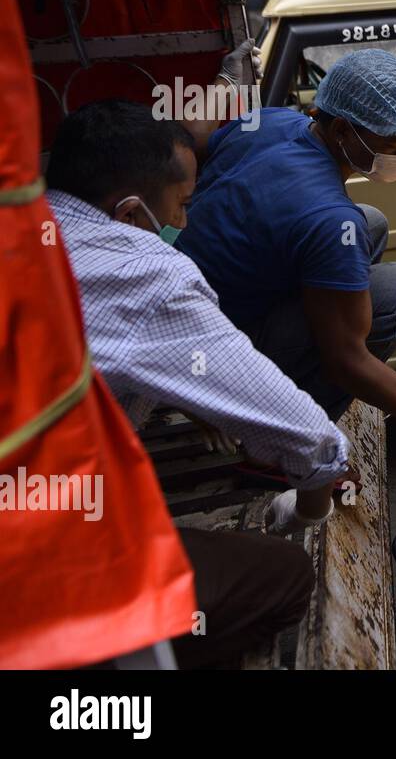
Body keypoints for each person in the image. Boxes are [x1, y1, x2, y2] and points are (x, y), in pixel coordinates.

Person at [44, 100, 345, 667]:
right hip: (41, 551)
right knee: (281, 576)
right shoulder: (144, 269)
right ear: (132, 214)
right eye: (182, 205)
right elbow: (312, 439)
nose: (185, 223)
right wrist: (306, 508)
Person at [178, 49, 396, 447]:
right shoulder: (329, 218)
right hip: (214, 355)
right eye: (392, 142)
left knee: (372, 222)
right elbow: (348, 361)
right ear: (340, 131)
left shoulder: (275, 121)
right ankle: (285, 435)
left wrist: (225, 81)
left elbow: (190, 139)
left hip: (190, 309)